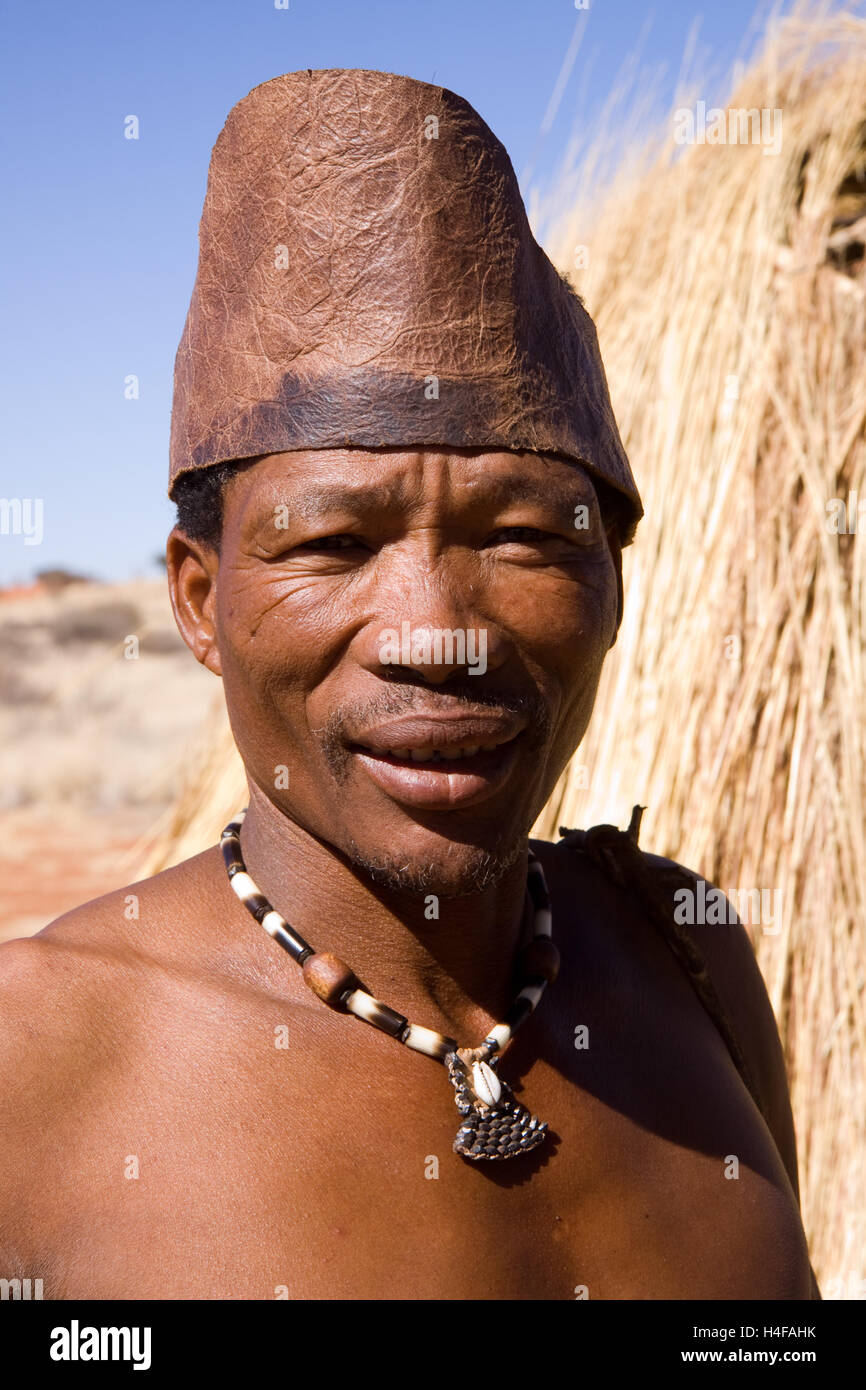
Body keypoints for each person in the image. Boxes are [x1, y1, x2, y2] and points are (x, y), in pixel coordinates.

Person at [0, 69, 818, 1299]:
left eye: (525, 538)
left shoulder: (685, 955)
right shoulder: (35, 1060)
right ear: (196, 602)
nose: (436, 633)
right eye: (332, 544)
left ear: (614, 579)